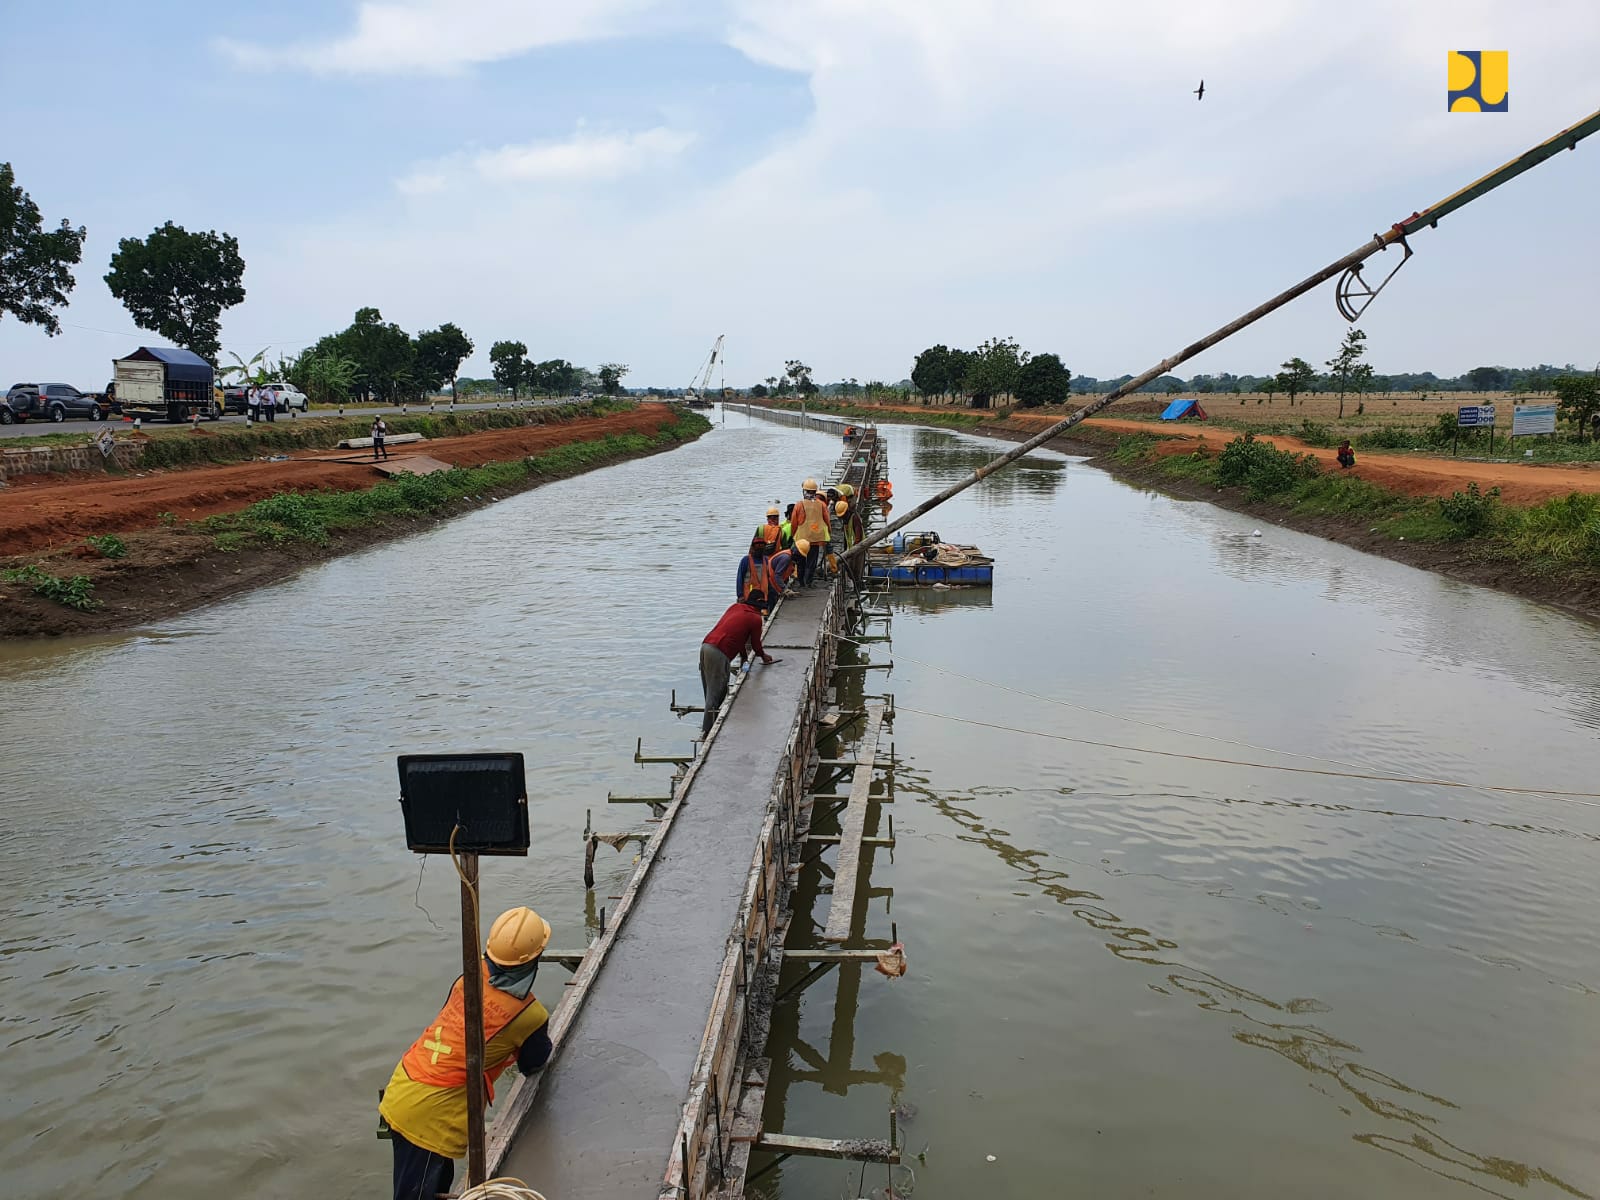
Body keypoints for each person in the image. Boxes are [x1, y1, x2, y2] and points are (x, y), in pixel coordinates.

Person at [379, 906, 554, 1200]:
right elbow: (533, 1063)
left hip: (405, 1085)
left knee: (430, 1186)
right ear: (536, 958)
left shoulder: (467, 979)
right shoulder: (530, 1014)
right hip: (430, 1116)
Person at [699, 593, 779, 736]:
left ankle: (710, 723)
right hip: (719, 651)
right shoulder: (755, 618)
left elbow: (737, 635)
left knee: (710, 690)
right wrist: (763, 656)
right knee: (717, 692)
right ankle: (708, 731)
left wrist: (743, 656)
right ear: (759, 607)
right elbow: (755, 643)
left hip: (706, 646)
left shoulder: (736, 607)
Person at [795, 479, 832, 587]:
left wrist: (794, 535)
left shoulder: (799, 505)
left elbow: (794, 523)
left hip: (802, 539)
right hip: (816, 538)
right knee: (812, 562)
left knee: (801, 561)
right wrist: (828, 532)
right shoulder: (822, 505)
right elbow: (827, 521)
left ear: (804, 491)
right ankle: (809, 581)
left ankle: (801, 582)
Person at [736, 537, 776, 608]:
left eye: (762, 546)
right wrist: (740, 595)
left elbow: (768, 579)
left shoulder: (766, 560)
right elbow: (740, 578)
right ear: (753, 547)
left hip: (763, 598)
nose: (760, 548)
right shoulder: (746, 560)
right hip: (748, 598)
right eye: (757, 546)